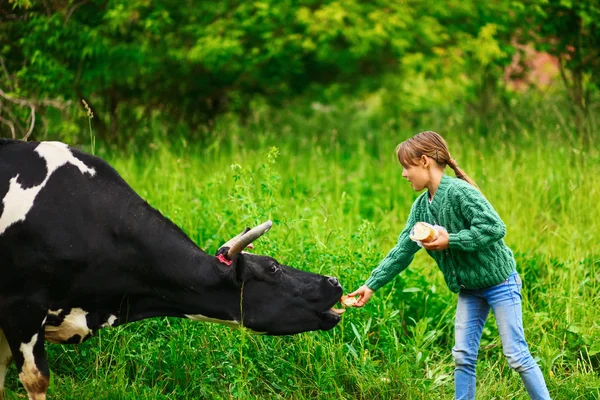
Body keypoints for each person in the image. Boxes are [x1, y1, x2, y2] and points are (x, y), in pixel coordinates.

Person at [348, 131, 551, 400]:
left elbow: (494, 227)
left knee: (516, 355)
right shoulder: (421, 206)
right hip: (469, 289)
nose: (403, 175)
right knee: (463, 357)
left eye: (406, 167)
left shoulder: (460, 192)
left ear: (424, 161)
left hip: (500, 283)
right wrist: (371, 285)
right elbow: (403, 250)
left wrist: (451, 240)